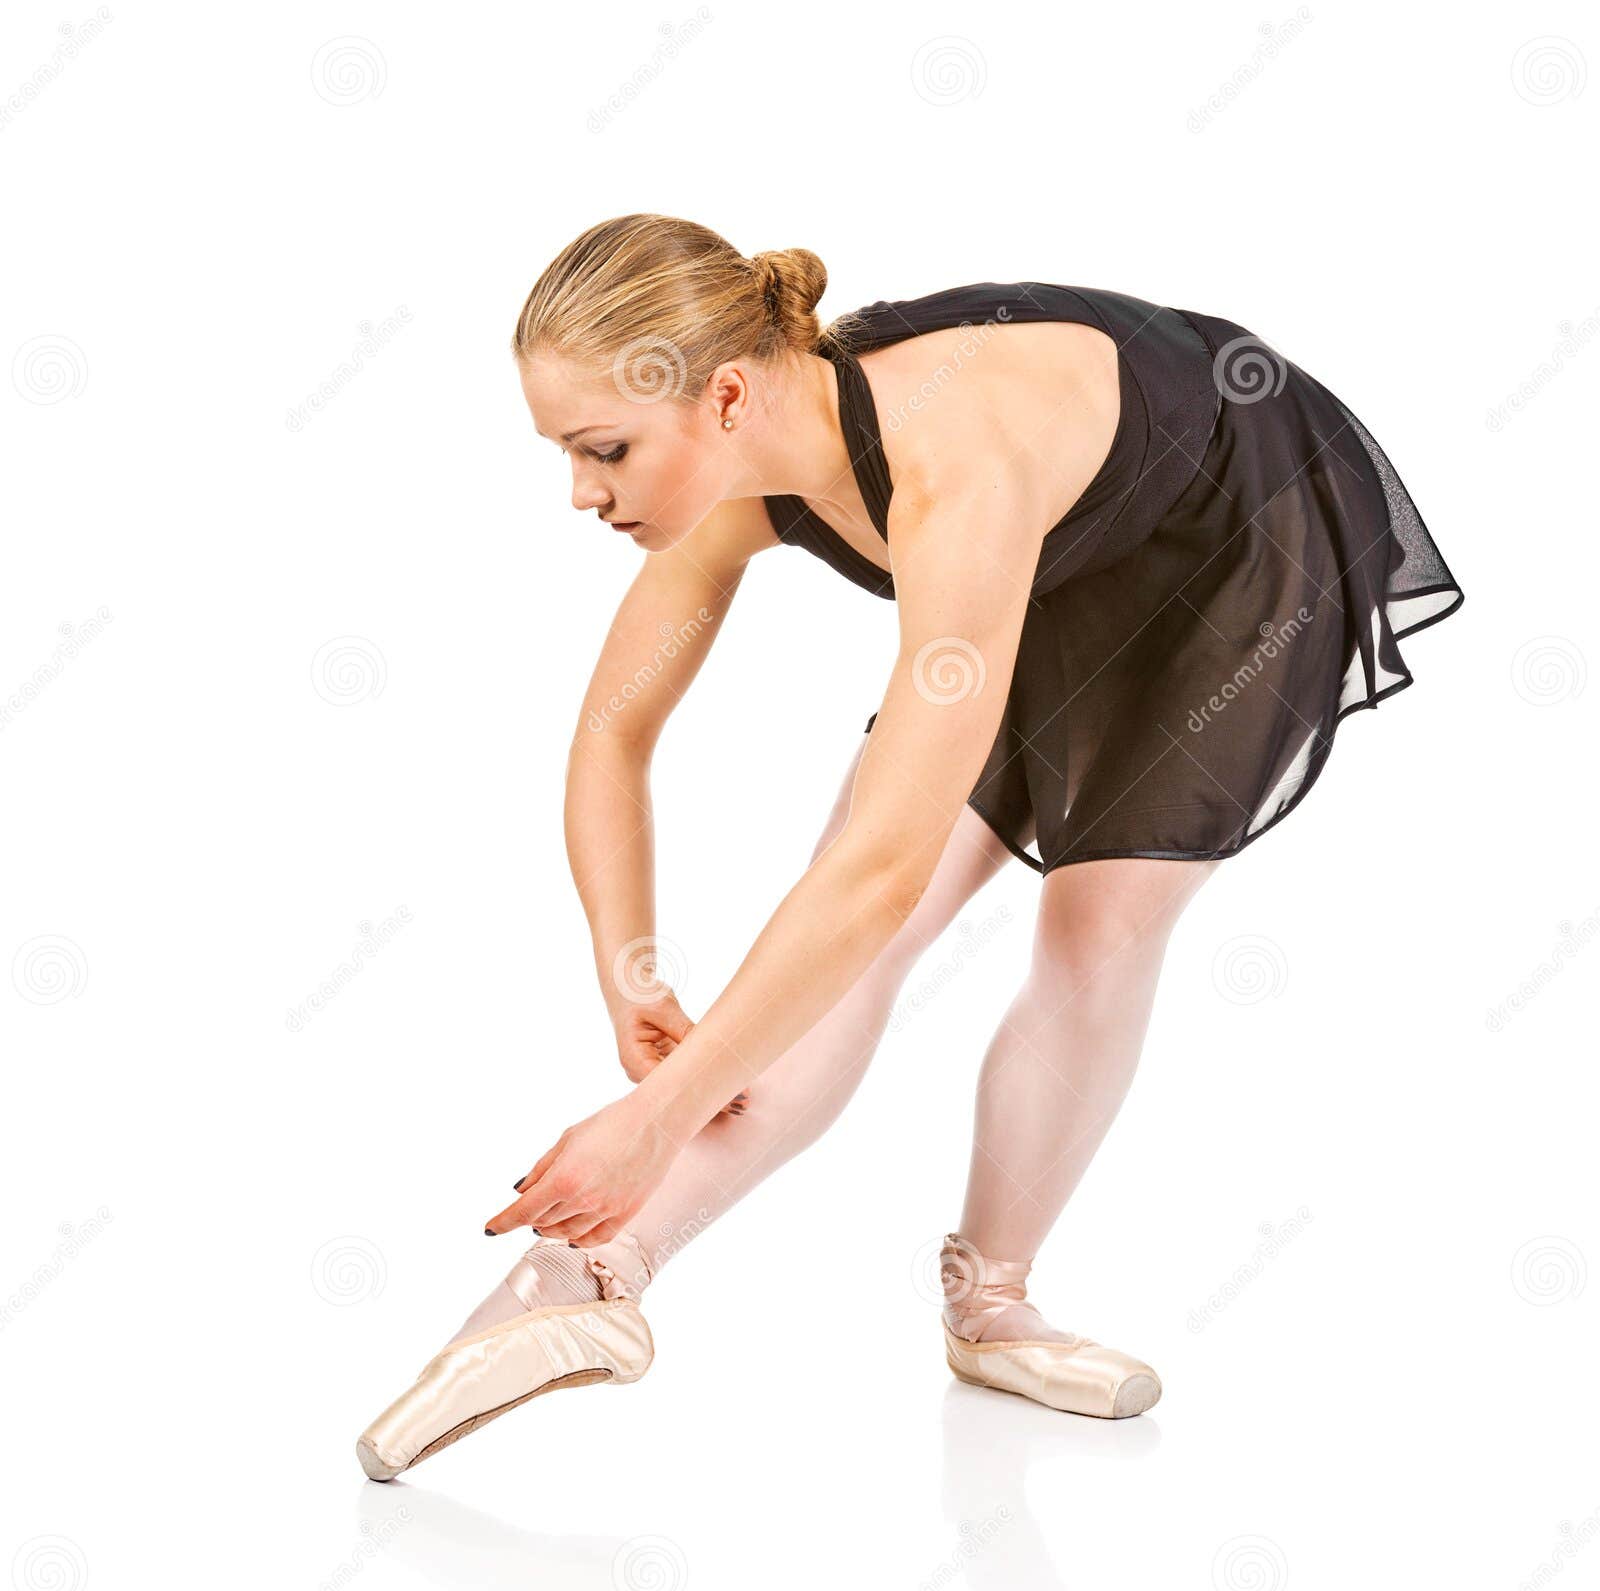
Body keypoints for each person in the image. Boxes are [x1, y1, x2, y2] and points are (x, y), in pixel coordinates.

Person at [356, 214, 1464, 1480]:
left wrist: (661, 1109)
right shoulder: (740, 475)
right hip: (1035, 553)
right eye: (565, 453)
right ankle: (590, 1274)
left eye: (603, 450)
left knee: (1092, 925)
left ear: (723, 393)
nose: (581, 493)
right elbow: (611, 740)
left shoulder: (957, 465)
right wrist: (632, 971)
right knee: (850, 929)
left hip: (1222, 543)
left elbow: (874, 875)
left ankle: (990, 1304)